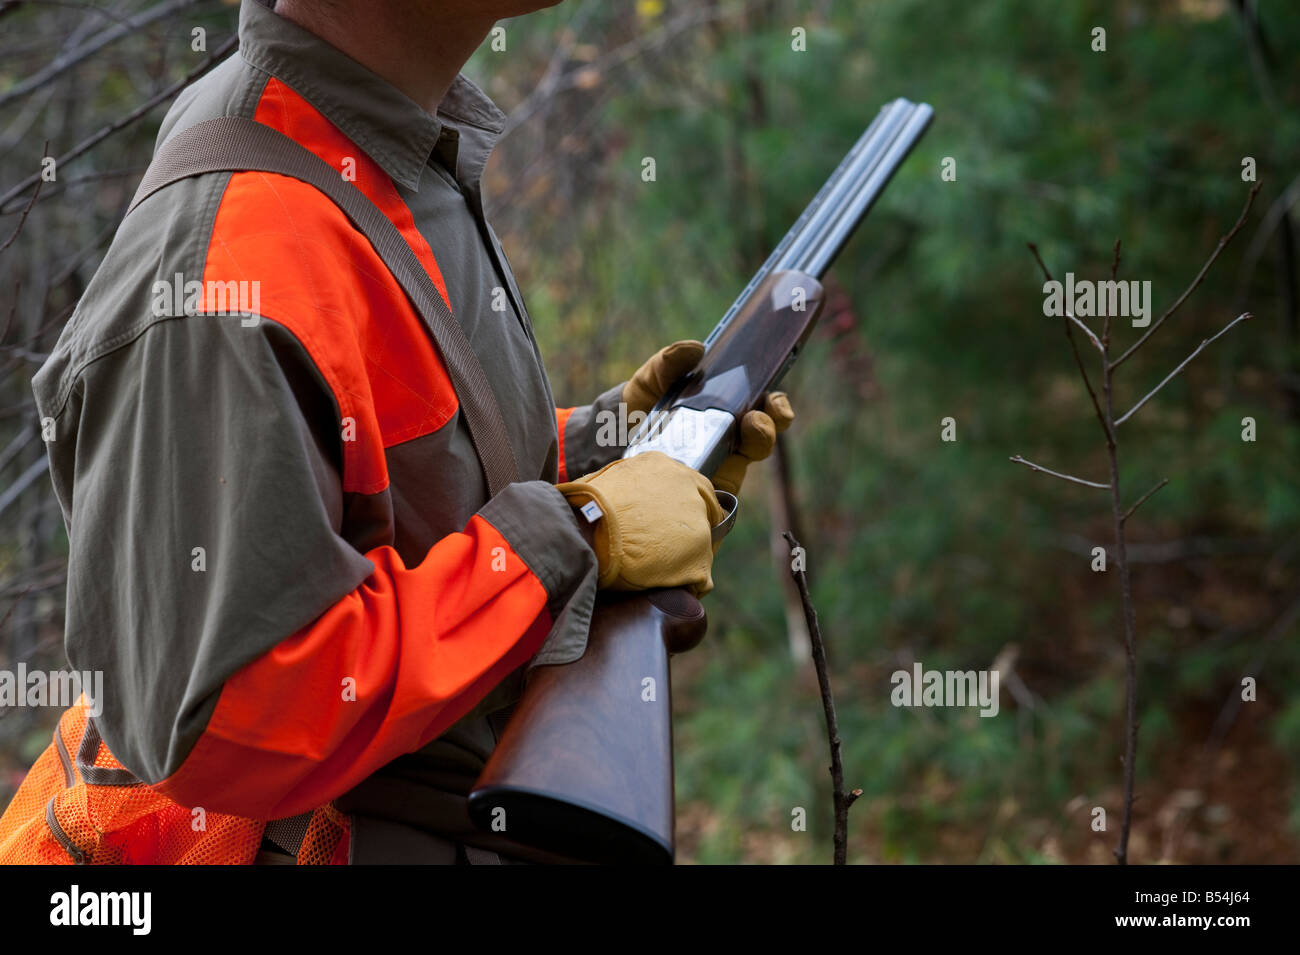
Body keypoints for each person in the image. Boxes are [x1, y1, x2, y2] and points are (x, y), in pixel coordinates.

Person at [16, 0, 792, 864]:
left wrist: (612, 447)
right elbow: (231, 717)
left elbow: (394, 492)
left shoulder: (383, 144)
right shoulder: (227, 254)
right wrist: (585, 530)